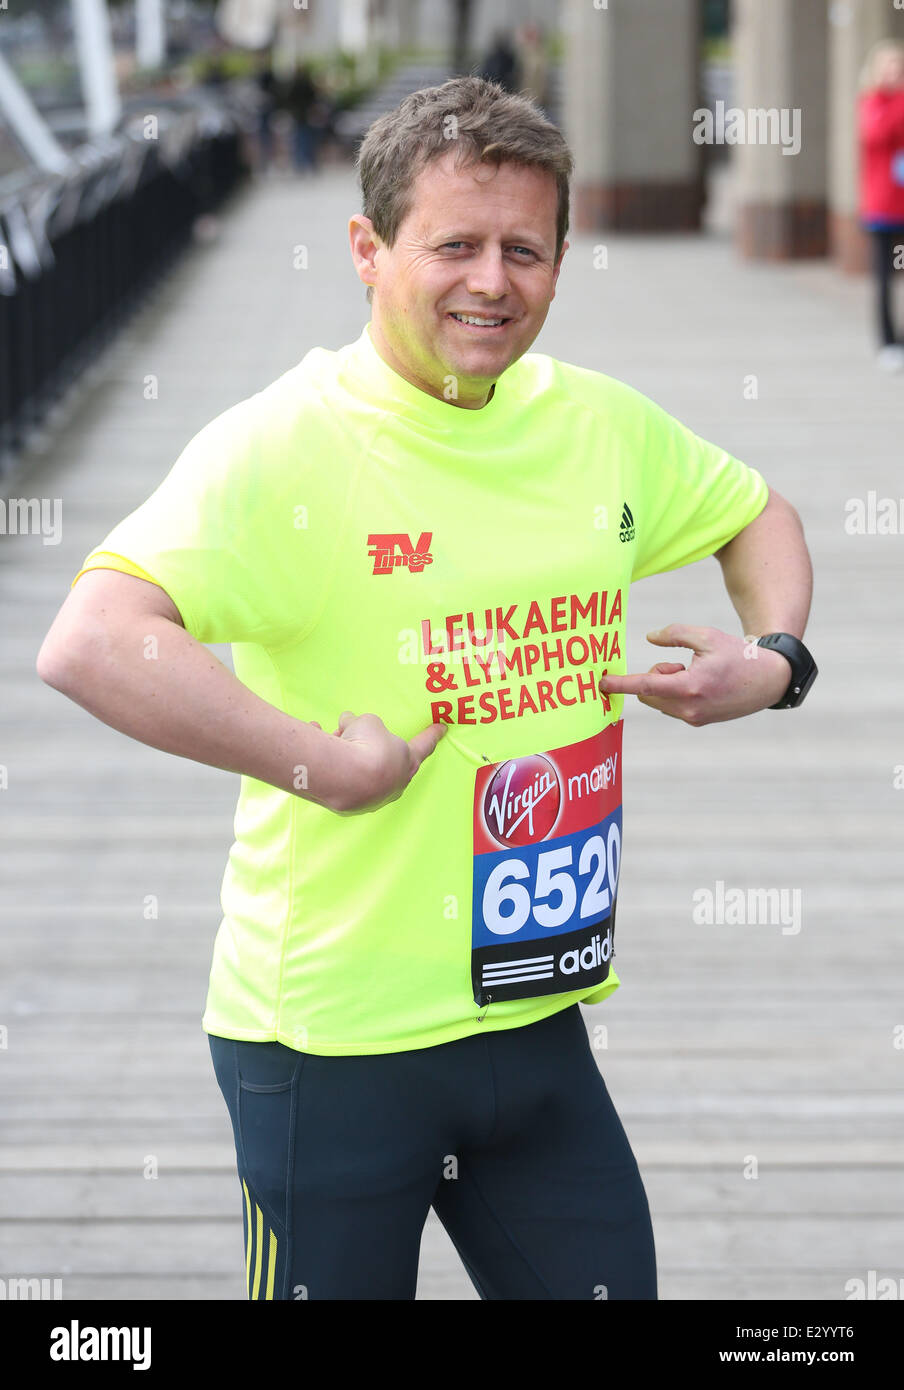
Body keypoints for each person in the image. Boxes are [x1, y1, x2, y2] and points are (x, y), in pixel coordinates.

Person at [36, 76, 815, 1301]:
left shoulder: (596, 424)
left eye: (525, 249)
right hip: (334, 1043)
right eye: (453, 244)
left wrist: (771, 662)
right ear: (367, 249)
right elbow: (90, 639)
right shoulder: (287, 445)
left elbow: (754, 511)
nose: (492, 282)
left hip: (534, 1021)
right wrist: (315, 759)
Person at [857, 40, 904, 370]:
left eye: (898, 66)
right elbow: (877, 134)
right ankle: (888, 341)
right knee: (884, 278)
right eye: (888, 66)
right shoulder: (871, 103)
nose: (894, 72)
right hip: (882, 207)